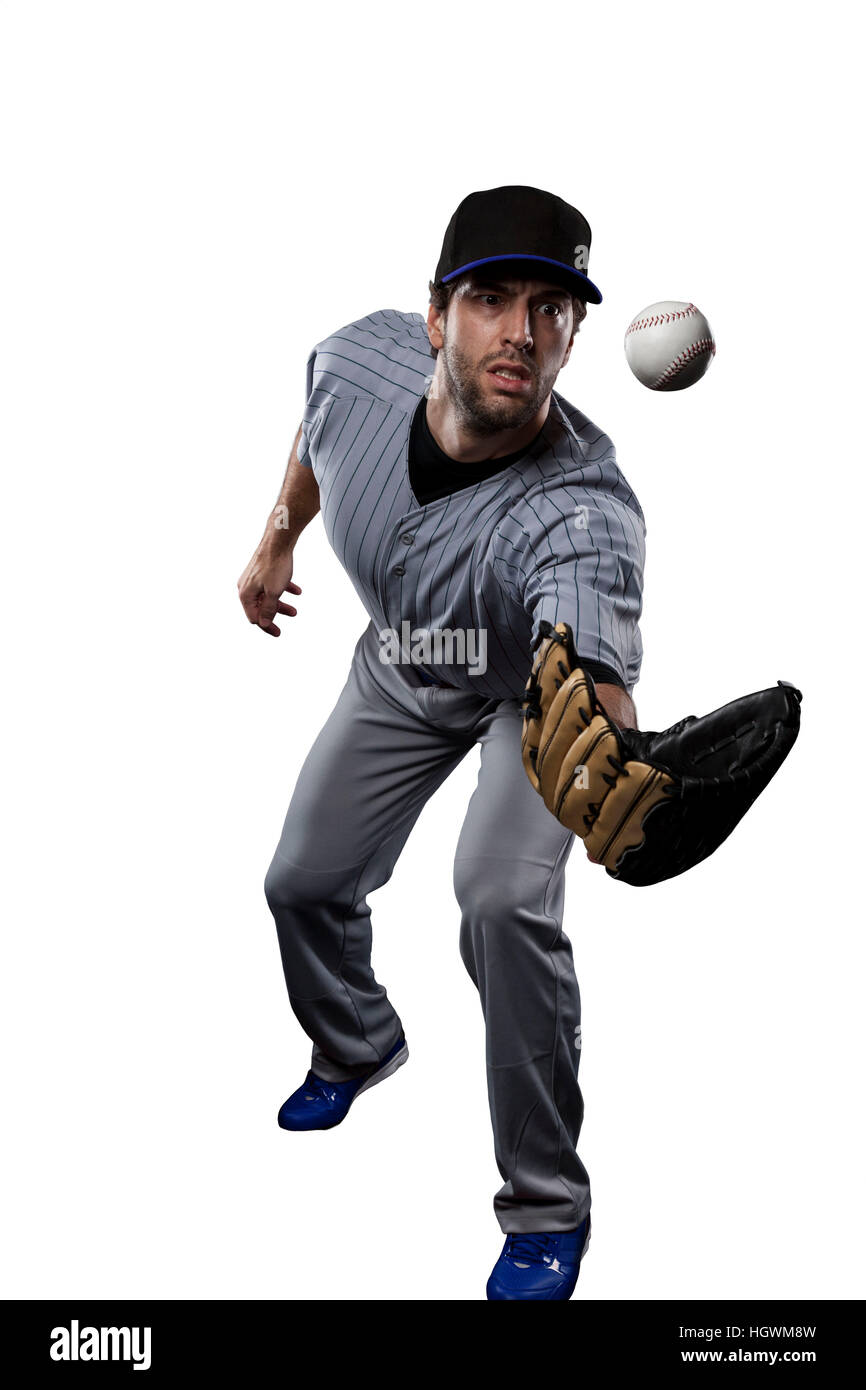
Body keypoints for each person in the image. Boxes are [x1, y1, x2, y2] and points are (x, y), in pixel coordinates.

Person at [237, 185, 645, 1300]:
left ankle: (548, 1208)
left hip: (527, 693)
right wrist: (275, 541)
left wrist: (612, 748)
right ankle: (358, 1041)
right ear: (433, 318)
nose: (519, 329)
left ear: (572, 335)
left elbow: (592, 664)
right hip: (407, 658)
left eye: (550, 307)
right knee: (299, 880)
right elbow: (313, 439)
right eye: (490, 298)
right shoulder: (356, 365)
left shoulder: (582, 503)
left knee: (499, 902)